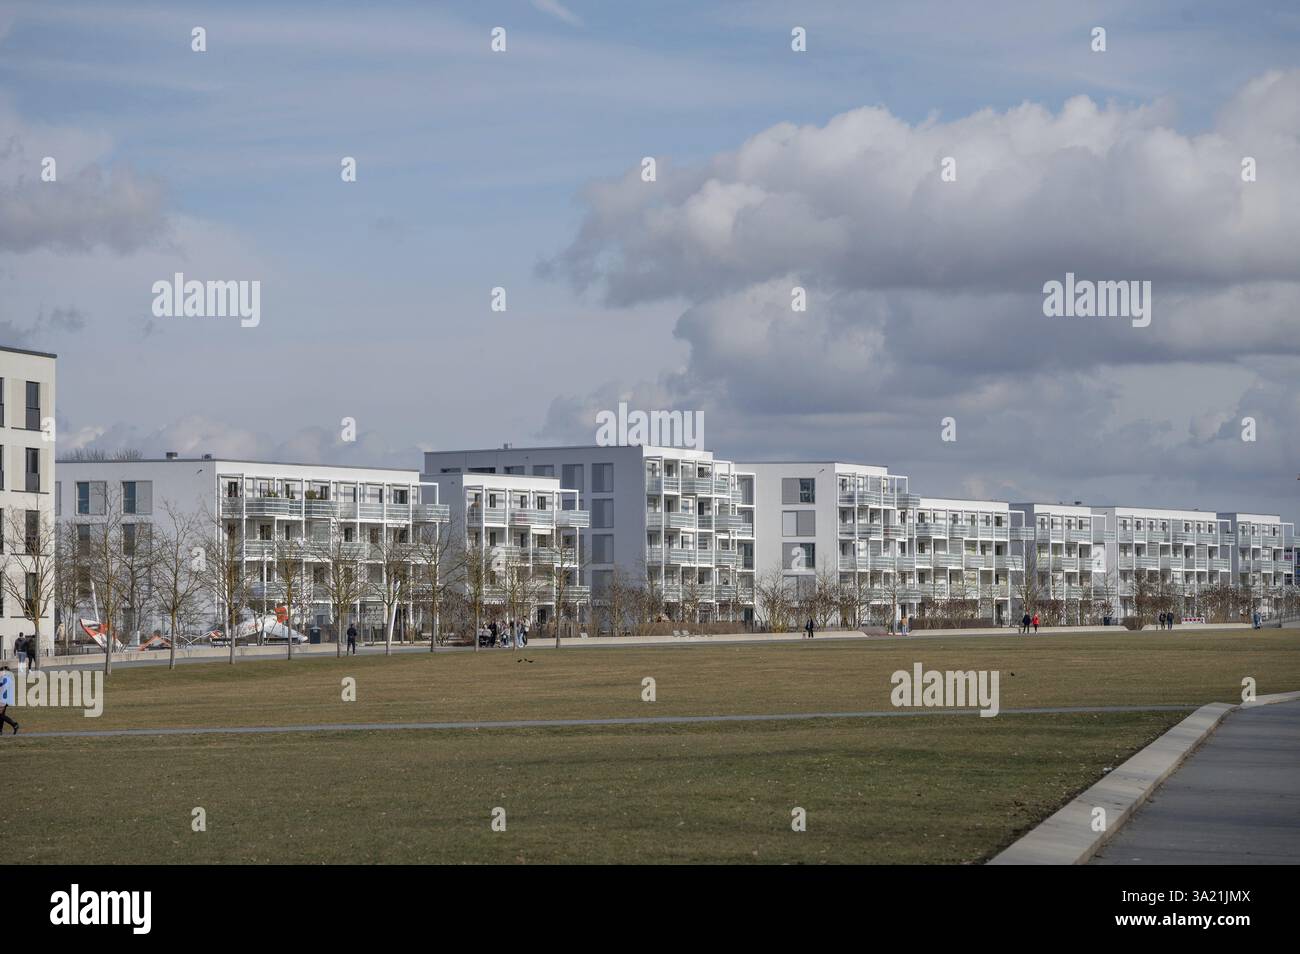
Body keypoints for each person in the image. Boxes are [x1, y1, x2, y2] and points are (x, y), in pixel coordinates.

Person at [0, 666, 16, 735]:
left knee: (0, 715)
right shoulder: (8, 679)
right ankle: (0, 730)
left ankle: (14, 724)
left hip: (3, 699)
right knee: (2, 715)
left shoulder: (5, 679)